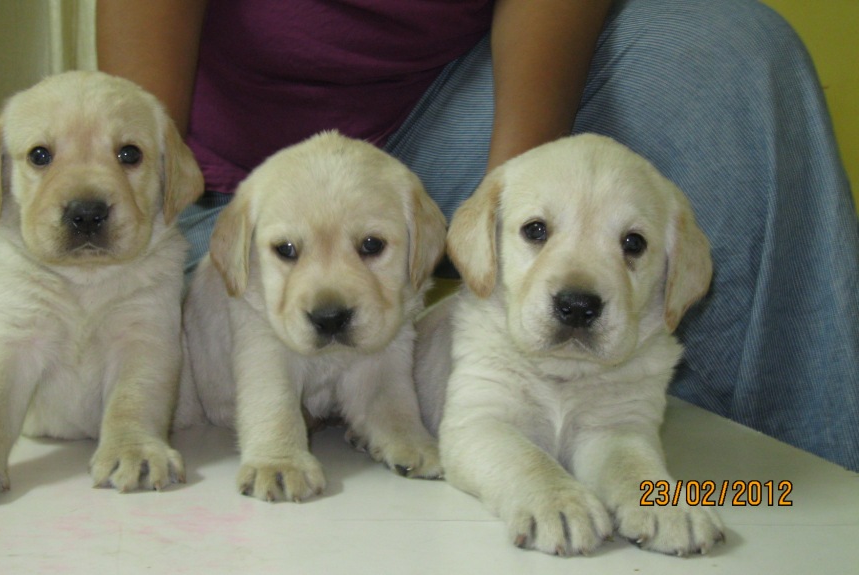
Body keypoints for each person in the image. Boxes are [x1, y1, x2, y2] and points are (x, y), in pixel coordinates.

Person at [96, 0, 859, 471]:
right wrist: (147, 235)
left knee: (734, 59)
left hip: (436, 117)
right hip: (234, 183)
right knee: (178, 344)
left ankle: (798, 488)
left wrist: (512, 220)